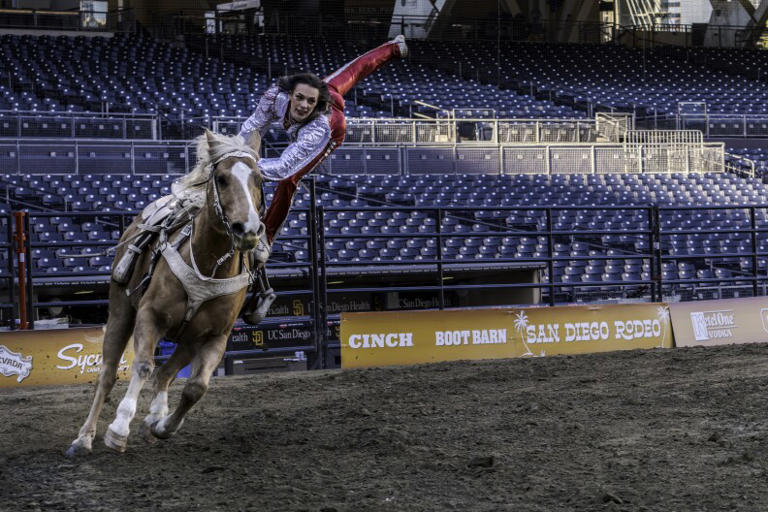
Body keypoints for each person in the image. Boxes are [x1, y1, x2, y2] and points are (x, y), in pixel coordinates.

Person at [239, 34, 408, 263]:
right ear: (289, 94)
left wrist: (245, 166)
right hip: (327, 91)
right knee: (354, 69)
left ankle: (267, 238)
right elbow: (253, 126)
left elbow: (283, 168)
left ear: (317, 103)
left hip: (331, 132)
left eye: (309, 101)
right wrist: (234, 153)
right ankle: (394, 47)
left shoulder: (320, 128)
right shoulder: (273, 97)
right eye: (299, 98)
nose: (303, 105)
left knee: (290, 180)